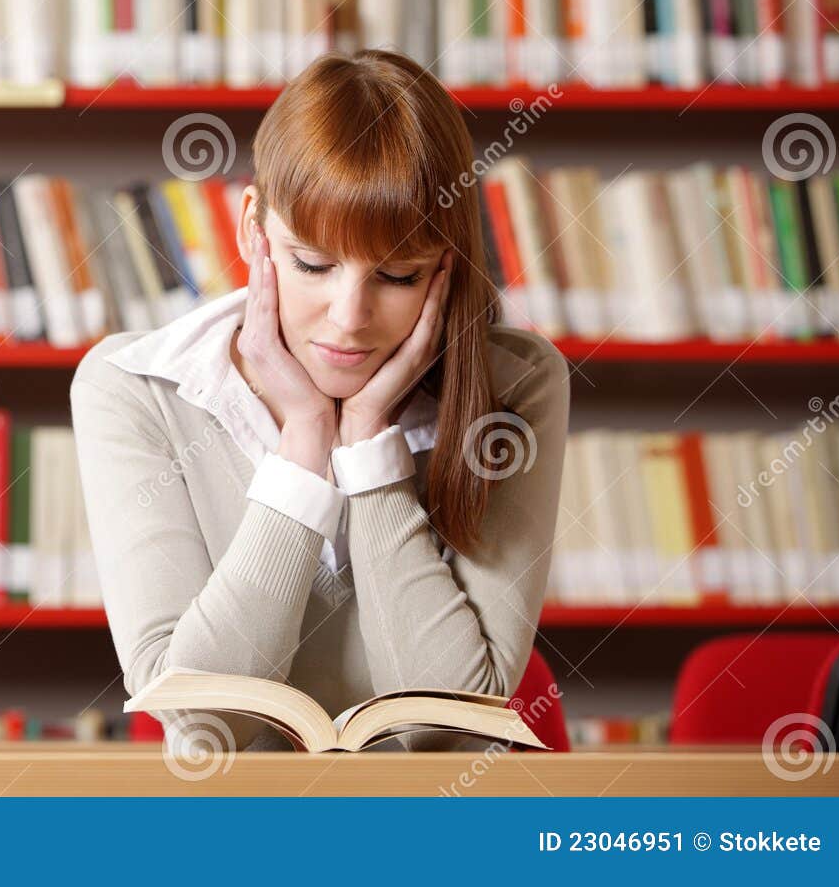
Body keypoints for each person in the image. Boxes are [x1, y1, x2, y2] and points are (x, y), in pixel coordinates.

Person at [70, 49, 570, 753]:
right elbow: (204, 723)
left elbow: (445, 728)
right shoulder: (135, 386)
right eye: (312, 264)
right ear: (253, 229)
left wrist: (369, 447)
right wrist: (305, 445)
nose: (349, 316)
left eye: (398, 274)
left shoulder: (515, 387)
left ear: (446, 268)